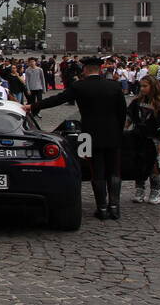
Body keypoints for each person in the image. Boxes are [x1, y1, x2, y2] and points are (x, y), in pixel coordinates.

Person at [29, 56, 126, 220]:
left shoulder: (79, 86)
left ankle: (101, 208)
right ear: (100, 69)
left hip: (88, 134)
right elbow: (122, 112)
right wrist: (118, 130)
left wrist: (32, 106)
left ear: (86, 70)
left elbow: (57, 100)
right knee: (114, 170)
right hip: (112, 134)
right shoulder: (114, 86)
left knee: (96, 170)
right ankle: (114, 207)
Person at [125, 74, 160, 205]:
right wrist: (124, 129)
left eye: (145, 86)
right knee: (138, 163)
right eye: (141, 86)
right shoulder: (137, 102)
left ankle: (156, 190)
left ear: (153, 87)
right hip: (138, 136)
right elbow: (129, 117)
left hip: (153, 138)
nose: (142, 89)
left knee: (153, 164)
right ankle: (139, 189)